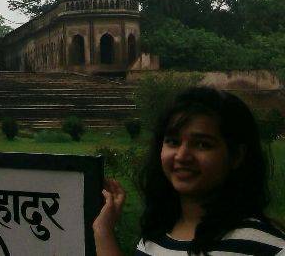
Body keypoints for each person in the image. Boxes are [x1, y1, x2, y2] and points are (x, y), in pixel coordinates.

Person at [94, 86, 285, 255]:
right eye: (173, 142)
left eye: (202, 144)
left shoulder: (265, 246)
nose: (182, 156)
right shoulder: (155, 238)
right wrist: (103, 231)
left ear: (236, 156)